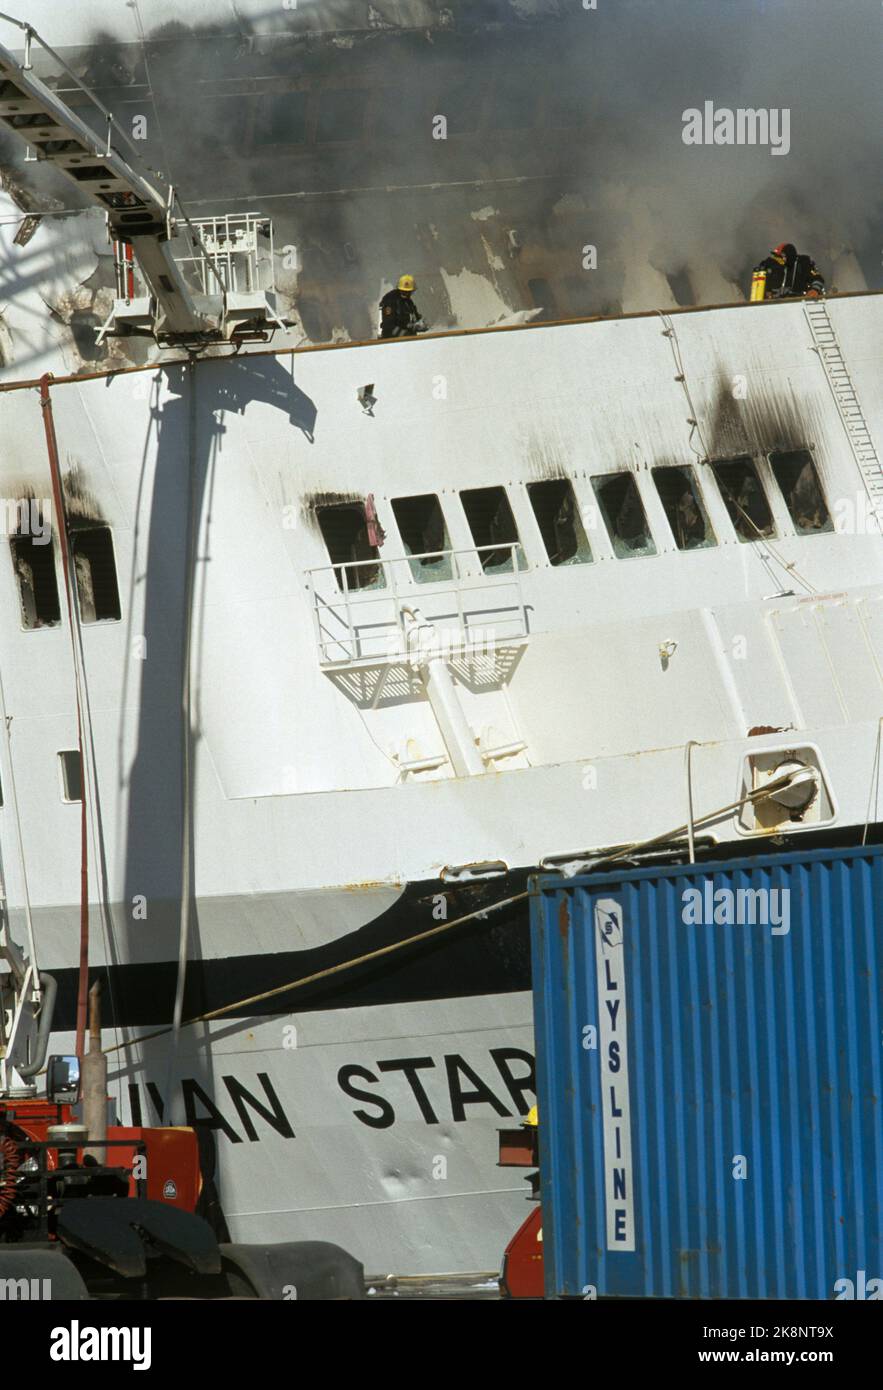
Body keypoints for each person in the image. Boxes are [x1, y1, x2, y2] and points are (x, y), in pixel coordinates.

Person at [752, 243, 825, 300]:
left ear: (789, 256)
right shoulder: (773, 265)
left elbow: (818, 279)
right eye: (777, 257)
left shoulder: (803, 264)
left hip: (799, 301)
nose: (778, 260)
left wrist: (814, 290)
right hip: (777, 303)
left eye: (781, 257)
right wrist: (767, 291)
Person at [379, 274, 425, 338]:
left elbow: (413, 317)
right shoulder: (390, 300)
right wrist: (405, 335)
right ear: (399, 289)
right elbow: (388, 326)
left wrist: (419, 324)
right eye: (403, 291)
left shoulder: (408, 301)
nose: (406, 294)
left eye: (408, 292)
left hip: (407, 340)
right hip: (391, 341)